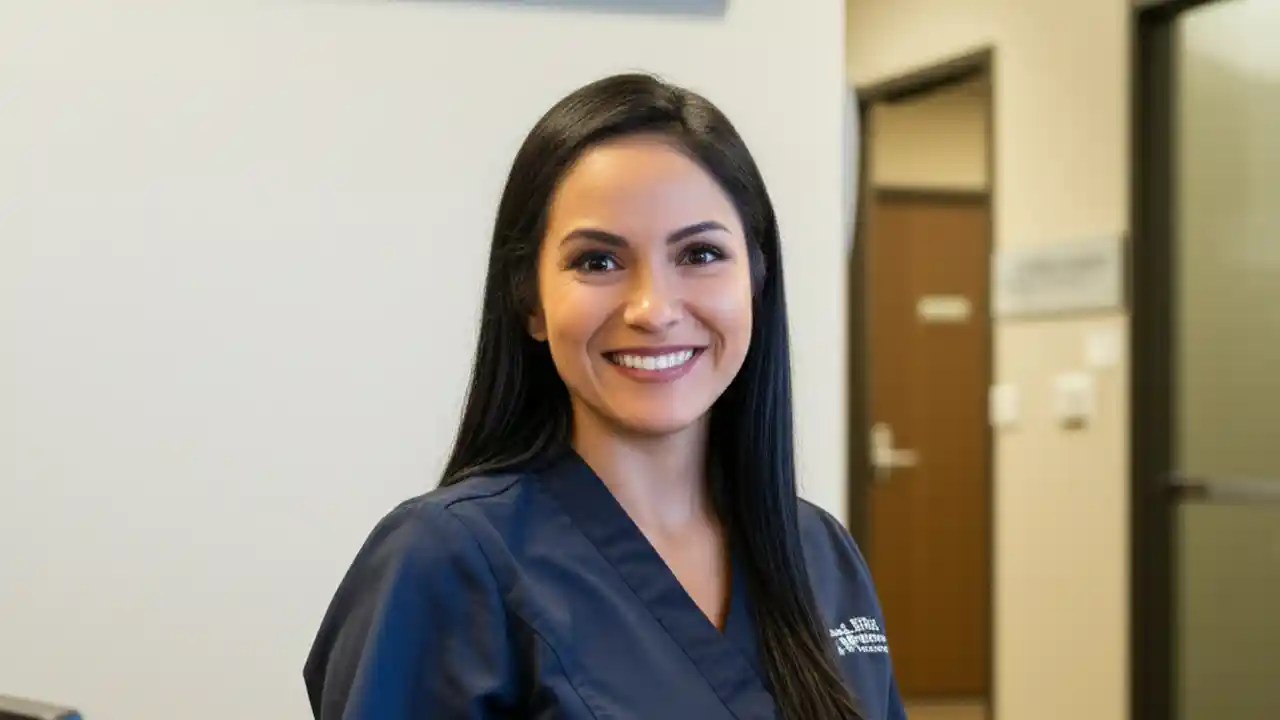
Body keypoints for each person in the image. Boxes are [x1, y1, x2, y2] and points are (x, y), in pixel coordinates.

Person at [304, 73, 906, 720]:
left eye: (701, 254)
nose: (653, 309)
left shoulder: (820, 552)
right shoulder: (447, 561)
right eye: (597, 262)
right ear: (530, 301)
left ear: (756, 283)